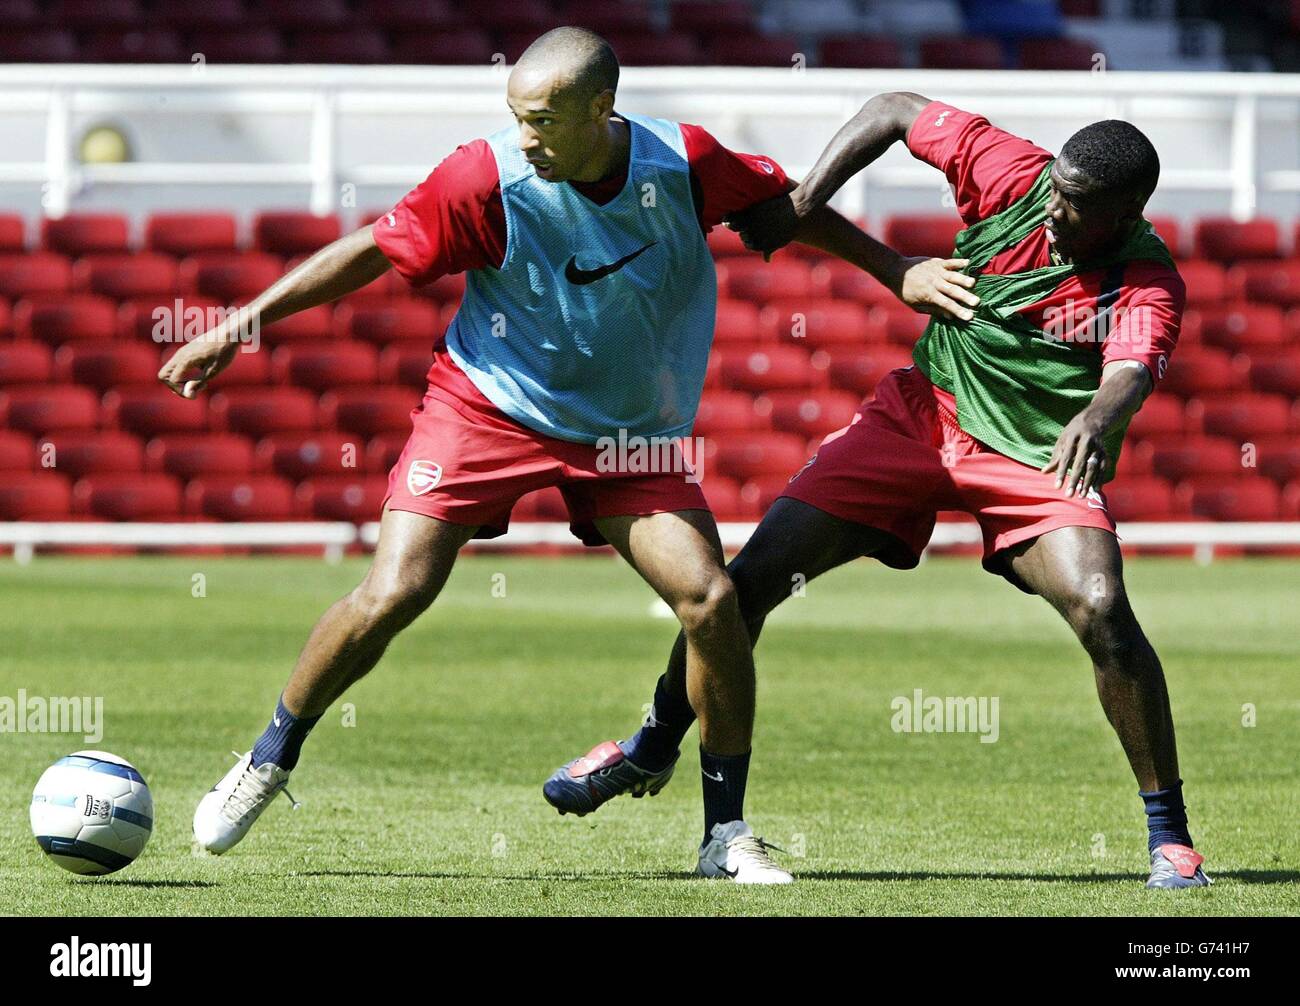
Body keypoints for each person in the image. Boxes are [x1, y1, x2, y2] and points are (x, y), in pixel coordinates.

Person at [159, 35, 971, 884]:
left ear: (600, 111)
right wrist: (235, 326)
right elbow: (370, 247)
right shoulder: (484, 179)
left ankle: (725, 835)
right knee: (395, 590)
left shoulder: (683, 160)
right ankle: (269, 758)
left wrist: (895, 270)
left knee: (713, 600)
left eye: (543, 120)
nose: (527, 137)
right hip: (488, 408)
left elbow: (781, 211)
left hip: (629, 432)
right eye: (517, 117)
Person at [547, 91, 1210, 890]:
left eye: (1077, 207)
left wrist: (1100, 419)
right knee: (741, 587)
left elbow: (1130, 370)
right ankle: (653, 747)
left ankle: (1169, 839)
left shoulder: (1145, 279)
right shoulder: (1015, 175)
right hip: (917, 419)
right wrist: (802, 200)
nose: (1054, 210)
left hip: (1035, 455)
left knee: (1103, 609)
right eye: (1057, 190)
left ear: (1128, 212)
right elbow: (896, 110)